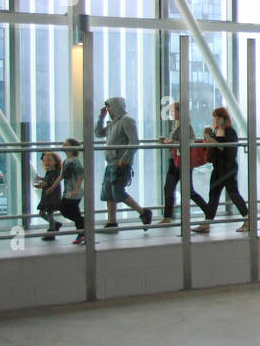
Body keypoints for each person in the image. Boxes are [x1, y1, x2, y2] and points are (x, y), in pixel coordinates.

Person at [95, 96, 152, 230]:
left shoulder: (127, 121)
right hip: (110, 163)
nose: (108, 109)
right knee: (108, 192)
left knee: (118, 192)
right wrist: (101, 118)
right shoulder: (112, 123)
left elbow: (134, 141)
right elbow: (98, 133)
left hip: (121, 163)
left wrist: (125, 159)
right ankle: (112, 221)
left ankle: (143, 212)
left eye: (109, 106)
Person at [193, 107, 249, 234]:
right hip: (218, 168)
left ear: (225, 119)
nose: (216, 120)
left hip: (228, 168)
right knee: (213, 195)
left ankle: (248, 219)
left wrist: (216, 143)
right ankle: (207, 222)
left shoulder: (230, 132)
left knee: (233, 194)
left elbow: (231, 152)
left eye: (219, 117)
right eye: (215, 117)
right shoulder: (216, 131)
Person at [159, 101, 207, 224]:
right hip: (174, 160)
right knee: (169, 188)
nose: (171, 113)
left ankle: (208, 211)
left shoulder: (185, 126)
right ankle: (167, 217)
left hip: (183, 161)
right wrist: (168, 142)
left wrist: (171, 143)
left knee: (188, 190)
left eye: (173, 111)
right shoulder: (179, 125)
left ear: (180, 112)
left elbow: (189, 141)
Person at [60, 139, 86, 245]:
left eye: (67, 144)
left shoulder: (75, 161)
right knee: (66, 210)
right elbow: (61, 175)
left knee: (68, 210)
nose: (64, 145)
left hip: (75, 193)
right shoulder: (66, 160)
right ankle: (82, 227)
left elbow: (81, 175)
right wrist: (52, 187)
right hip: (68, 192)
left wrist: (76, 189)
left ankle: (82, 230)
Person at [34, 151, 63, 241]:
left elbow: (51, 182)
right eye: (45, 160)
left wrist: (43, 183)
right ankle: (54, 225)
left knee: (49, 213)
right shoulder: (50, 172)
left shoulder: (56, 172)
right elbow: (48, 180)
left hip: (51, 196)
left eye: (49, 160)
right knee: (43, 213)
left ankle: (52, 231)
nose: (47, 163)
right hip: (47, 195)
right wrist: (42, 180)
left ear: (55, 161)